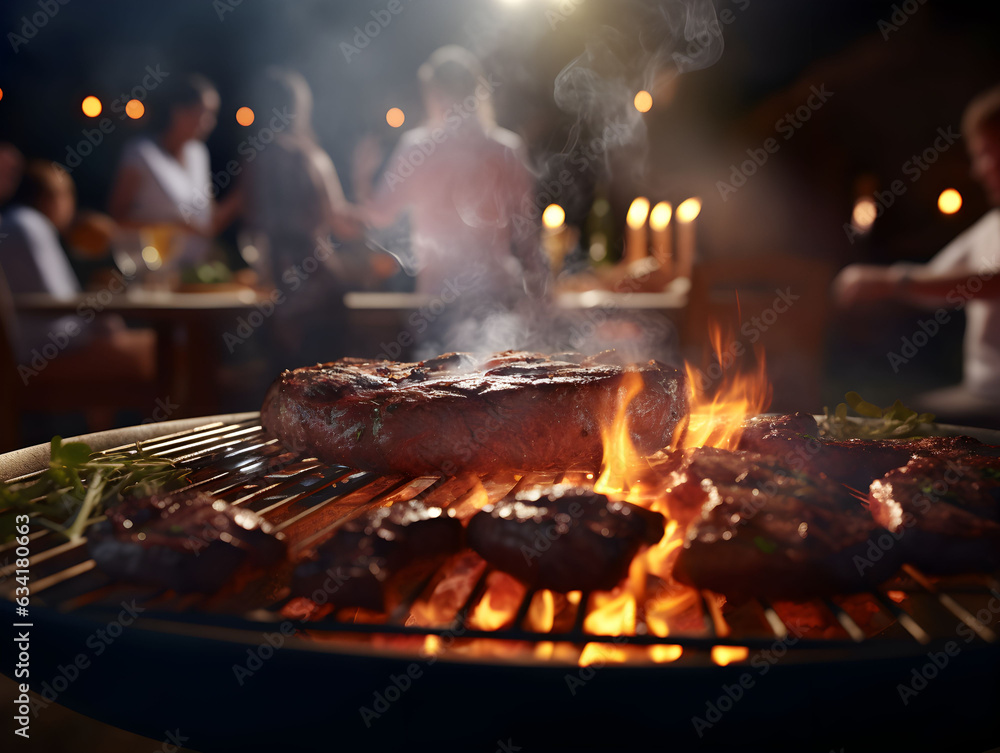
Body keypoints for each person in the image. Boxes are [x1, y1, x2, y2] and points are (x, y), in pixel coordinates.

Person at [355, 45, 547, 355]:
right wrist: (540, 292)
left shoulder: (416, 147)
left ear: (433, 92)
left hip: (437, 297)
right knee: (495, 387)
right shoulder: (506, 148)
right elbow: (527, 234)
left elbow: (379, 216)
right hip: (495, 293)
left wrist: (361, 176)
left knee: (437, 388)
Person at [833, 84, 1000, 424]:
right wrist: (879, 290)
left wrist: (892, 281)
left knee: (896, 426)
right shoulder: (990, 226)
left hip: (991, 405)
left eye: (986, 152)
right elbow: (937, 283)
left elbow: (991, 283)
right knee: (880, 418)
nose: (978, 170)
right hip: (979, 394)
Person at [0, 160, 154, 372]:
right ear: (49, 198)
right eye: (67, 194)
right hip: (45, 354)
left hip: (32, 349)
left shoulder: (18, 222)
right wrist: (100, 320)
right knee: (159, 351)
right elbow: (55, 304)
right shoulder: (31, 227)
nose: (72, 204)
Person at [108, 74, 237, 269]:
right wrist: (171, 226)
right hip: (150, 274)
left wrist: (243, 192)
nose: (210, 122)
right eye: (203, 113)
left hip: (194, 273)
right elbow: (116, 219)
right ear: (179, 112)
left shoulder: (198, 153)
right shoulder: (140, 152)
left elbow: (208, 222)